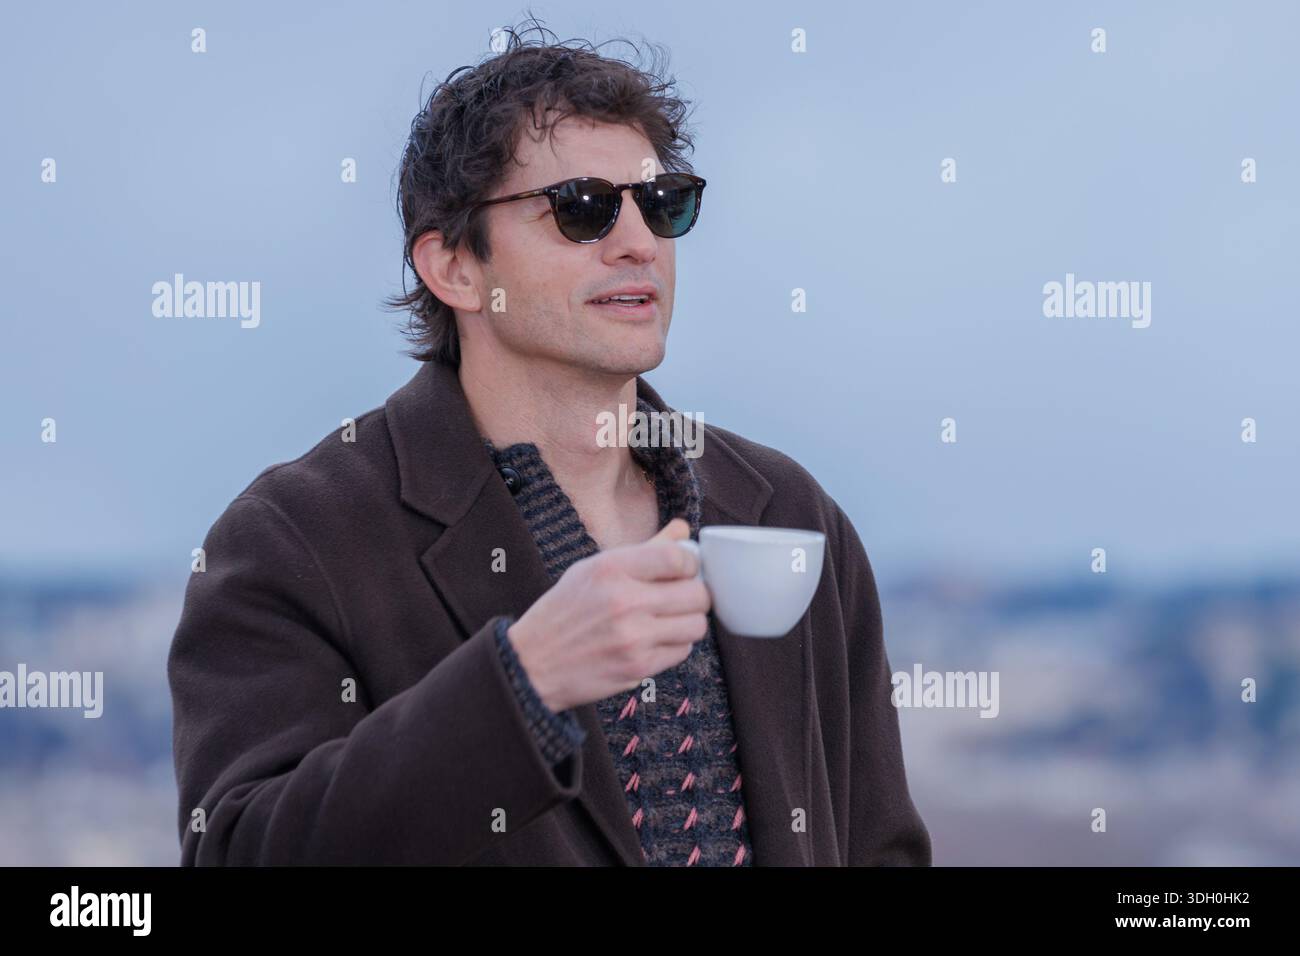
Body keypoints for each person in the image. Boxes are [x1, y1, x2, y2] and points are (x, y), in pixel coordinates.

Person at [167, 22, 931, 867]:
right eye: (584, 209)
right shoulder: (296, 538)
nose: (639, 241)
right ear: (454, 267)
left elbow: (880, 848)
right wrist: (521, 685)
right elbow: (239, 853)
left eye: (661, 202)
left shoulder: (786, 510)